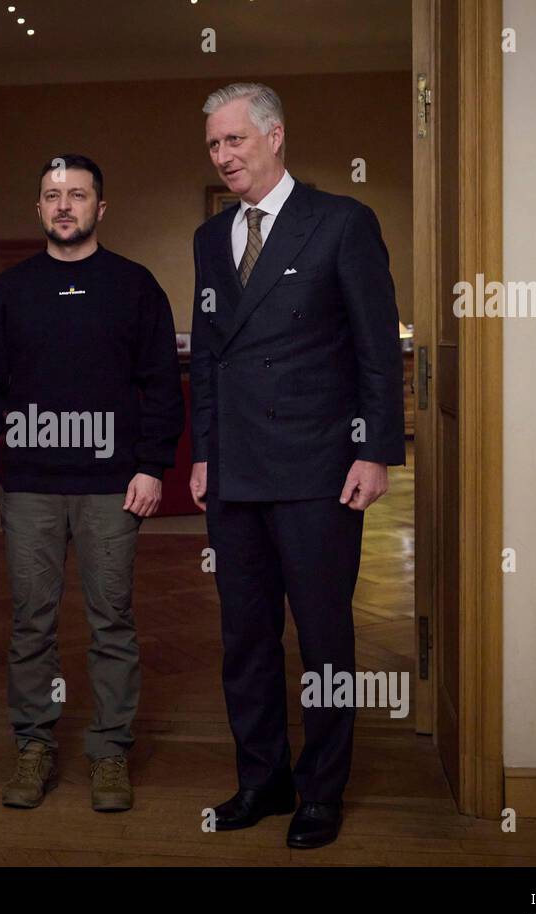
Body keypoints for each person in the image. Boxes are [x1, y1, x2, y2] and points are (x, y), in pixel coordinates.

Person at [189, 83, 405, 848]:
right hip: (236, 475)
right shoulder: (210, 238)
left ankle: (322, 787)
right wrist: (205, 454)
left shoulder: (341, 223)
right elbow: (210, 358)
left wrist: (378, 450)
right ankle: (262, 778)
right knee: (243, 638)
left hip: (318, 469)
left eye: (235, 140)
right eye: (214, 144)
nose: (223, 155)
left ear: (275, 137)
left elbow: (379, 351)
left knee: (323, 638)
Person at [0, 154, 183, 813]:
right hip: (28, 484)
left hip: (112, 486)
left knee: (110, 618)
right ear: (38, 208)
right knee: (32, 620)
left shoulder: (135, 286)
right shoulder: (9, 292)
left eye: (78, 195)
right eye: (53, 195)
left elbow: (161, 389)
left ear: (99, 208)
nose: (65, 205)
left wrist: (151, 466)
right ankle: (34, 745)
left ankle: (109, 750)